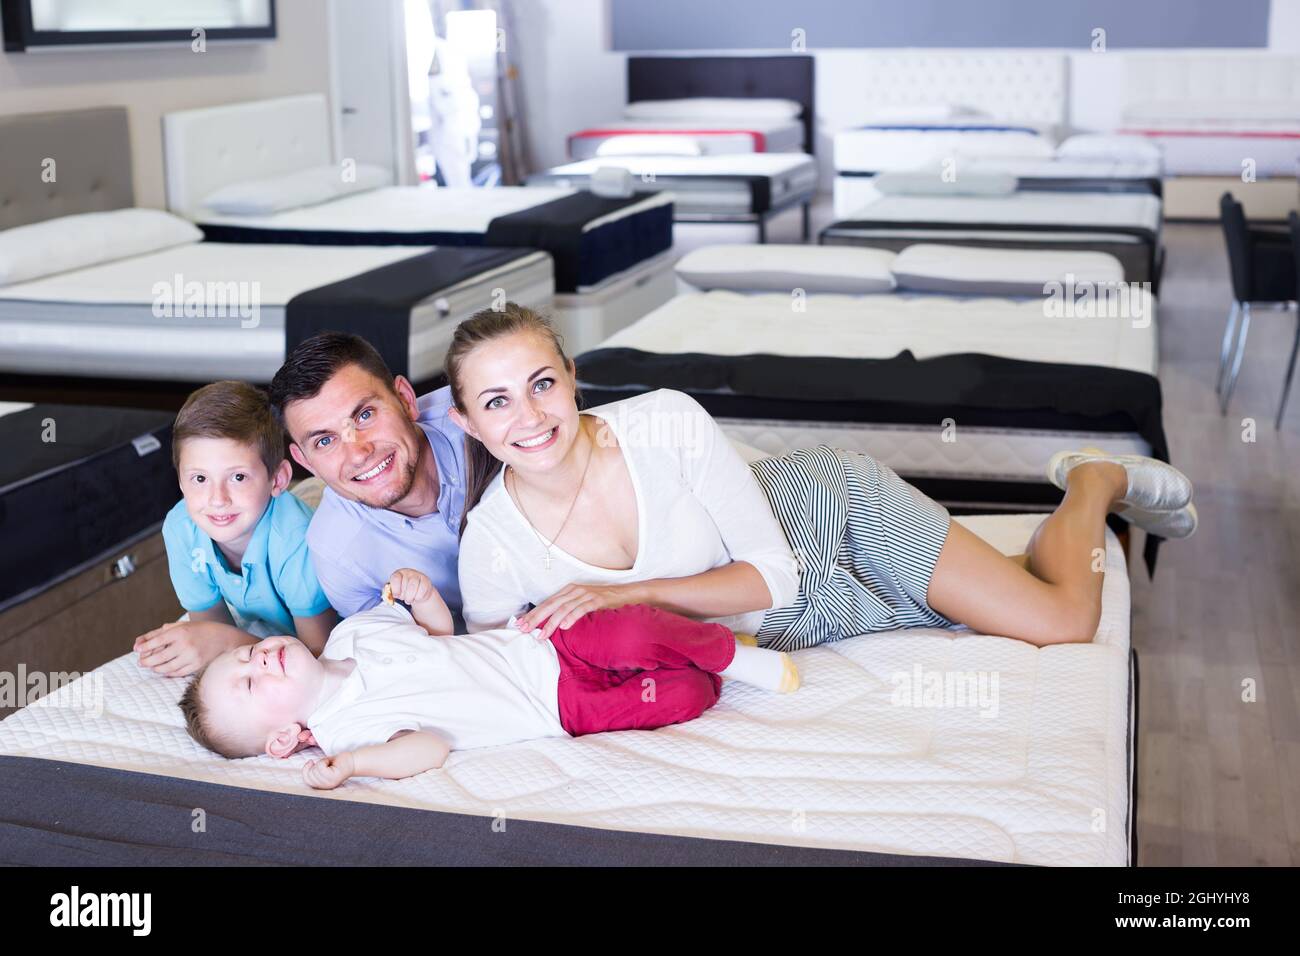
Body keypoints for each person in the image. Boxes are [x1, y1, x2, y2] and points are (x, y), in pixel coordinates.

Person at [448, 303, 1198, 651]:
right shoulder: (491, 545)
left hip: (828, 514)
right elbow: (505, 667)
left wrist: (629, 595)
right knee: (1002, 593)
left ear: (575, 378)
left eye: (542, 383)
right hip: (789, 627)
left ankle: (1094, 481)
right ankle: (1028, 553)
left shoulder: (664, 419)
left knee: (1060, 621)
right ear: (466, 422)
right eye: (496, 401)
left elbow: (772, 578)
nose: (530, 416)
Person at [177, 569, 799, 787]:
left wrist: (421, 598)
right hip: (561, 710)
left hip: (539, 643)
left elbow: (441, 638)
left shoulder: (352, 633)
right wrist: (357, 767)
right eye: (252, 684)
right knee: (681, 697)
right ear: (284, 738)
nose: (260, 661)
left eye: (248, 656)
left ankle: (730, 654)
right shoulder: (348, 732)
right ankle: (704, 662)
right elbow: (429, 747)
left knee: (634, 629)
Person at [135, 381, 336, 678]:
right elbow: (212, 629)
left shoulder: (298, 539)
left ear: (278, 479)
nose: (217, 499)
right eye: (200, 479)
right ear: (180, 481)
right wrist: (206, 641)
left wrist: (227, 641)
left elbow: (319, 657)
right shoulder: (182, 529)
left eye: (238, 477)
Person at [268, 333, 468, 623]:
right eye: (325, 441)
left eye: (364, 415)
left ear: (405, 399)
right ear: (305, 461)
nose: (359, 453)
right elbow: (383, 651)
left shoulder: (483, 417)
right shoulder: (337, 552)